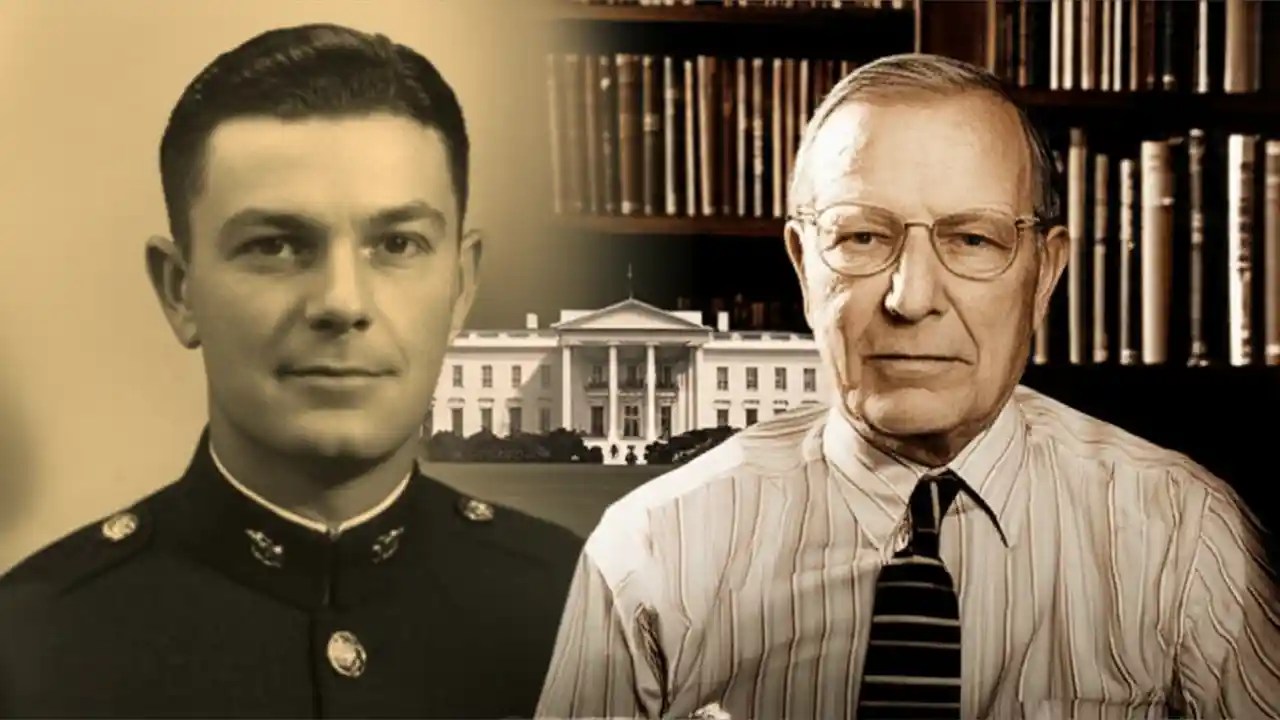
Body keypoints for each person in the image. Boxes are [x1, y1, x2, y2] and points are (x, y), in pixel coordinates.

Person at [535, 54, 1280, 720]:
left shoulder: (1184, 537)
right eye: (862, 236)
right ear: (803, 264)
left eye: (973, 239)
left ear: (1046, 273)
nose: (911, 296)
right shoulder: (653, 551)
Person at [0, 23, 582, 718]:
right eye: (276, 246)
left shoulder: (591, 614)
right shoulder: (28, 647)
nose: (341, 302)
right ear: (179, 290)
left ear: (460, 286)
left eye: (397, 243)